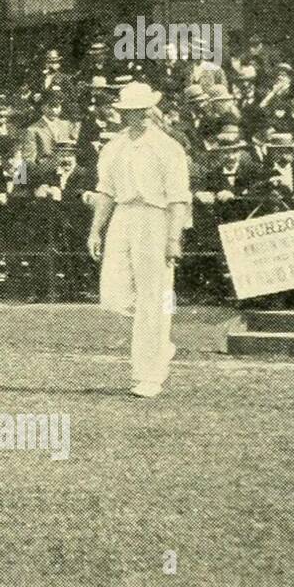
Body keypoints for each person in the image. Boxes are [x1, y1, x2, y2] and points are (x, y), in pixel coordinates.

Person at [87, 82, 191, 399]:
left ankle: (149, 375)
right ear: (124, 114)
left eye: (146, 108)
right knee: (114, 295)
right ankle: (160, 343)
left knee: (154, 297)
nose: (142, 115)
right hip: (123, 217)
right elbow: (105, 191)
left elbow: (178, 198)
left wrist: (174, 238)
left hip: (157, 219)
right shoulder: (113, 147)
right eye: (134, 110)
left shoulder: (168, 147)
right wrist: (95, 230)